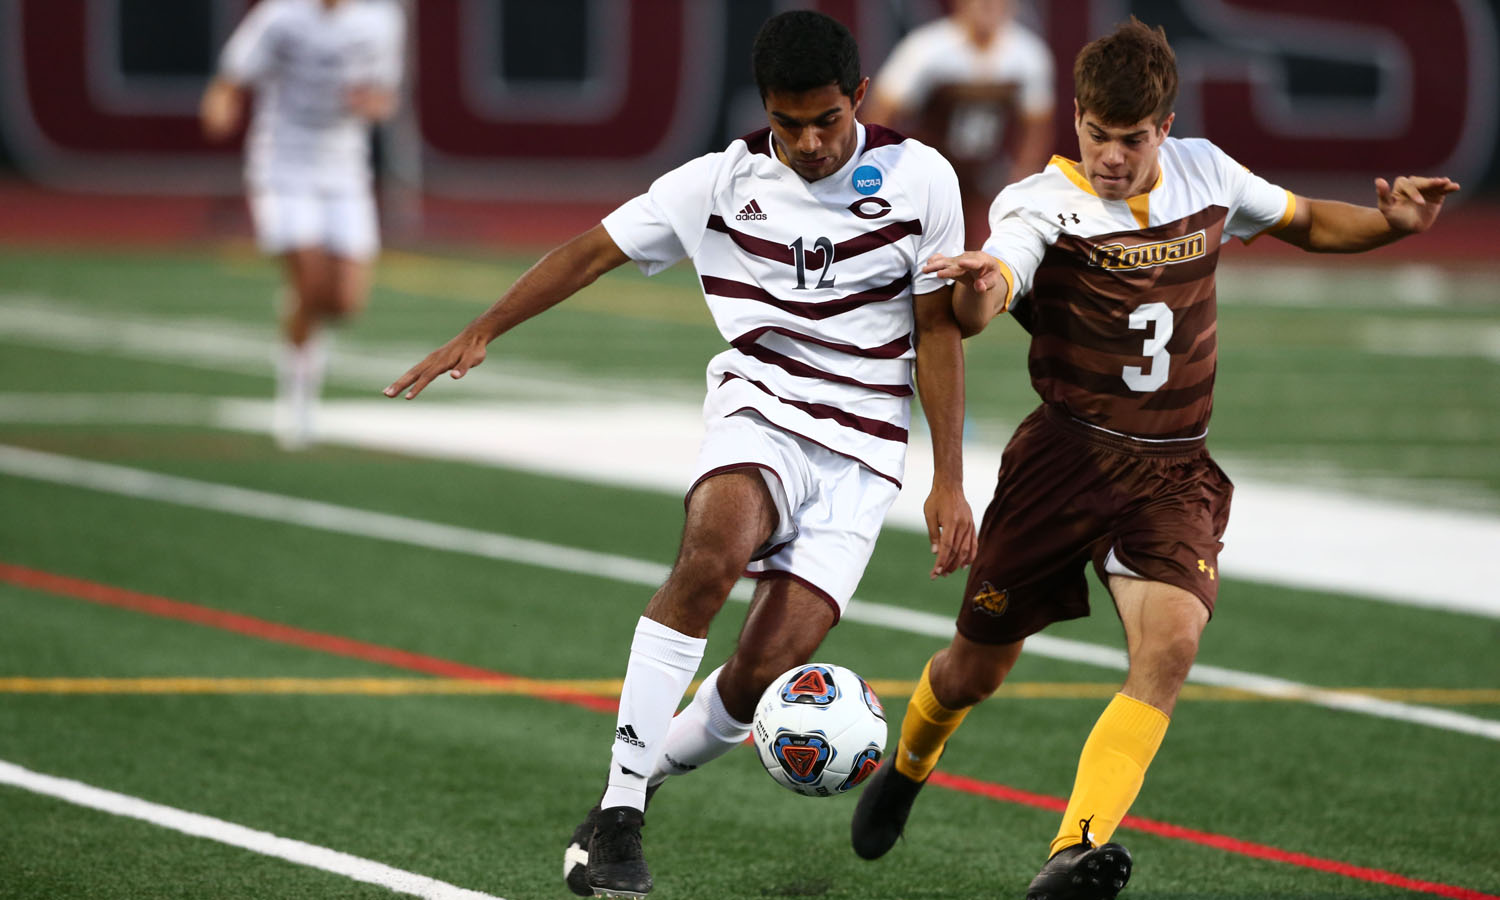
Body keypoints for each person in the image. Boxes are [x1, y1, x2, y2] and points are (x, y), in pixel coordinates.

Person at [849, 18, 1457, 900]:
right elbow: (994, 290)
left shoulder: (1209, 173)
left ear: (1164, 127)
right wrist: (982, 287)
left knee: (1169, 648)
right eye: (1097, 133)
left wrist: (1392, 224)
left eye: (1131, 139)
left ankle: (1072, 850)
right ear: (1078, 118)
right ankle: (908, 765)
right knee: (974, 667)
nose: (1110, 156)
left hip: (1173, 472)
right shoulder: (1037, 203)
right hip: (1066, 463)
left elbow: (1312, 221)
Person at [382, 11, 977, 898]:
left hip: (863, 453)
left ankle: (631, 788)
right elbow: (590, 252)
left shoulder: (922, 177)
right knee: (711, 552)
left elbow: (937, 331)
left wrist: (950, 481)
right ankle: (622, 819)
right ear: (764, 110)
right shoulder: (715, 183)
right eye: (788, 124)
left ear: (859, 97)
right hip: (760, 407)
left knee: (762, 671)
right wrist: (484, 328)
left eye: (825, 120)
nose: (809, 143)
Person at [201, 0, 405, 450]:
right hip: (282, 165)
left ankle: (298, 318)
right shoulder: (280, 16)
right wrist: (219, 103)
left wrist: (370, 103)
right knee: (310, 279)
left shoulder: (381, 20)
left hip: (345, 171)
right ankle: (296, 404)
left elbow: (384, 96)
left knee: (345, 302)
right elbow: (232, 76)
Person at [864, 0, 1054, 247]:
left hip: (985, 174)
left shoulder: (1028, 53)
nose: (990, 7)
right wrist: (884, 171)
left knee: (991, 252)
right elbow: (881, 113)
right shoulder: (926, 48)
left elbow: (1037, 128)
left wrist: (1021, 178)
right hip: (929, 171)